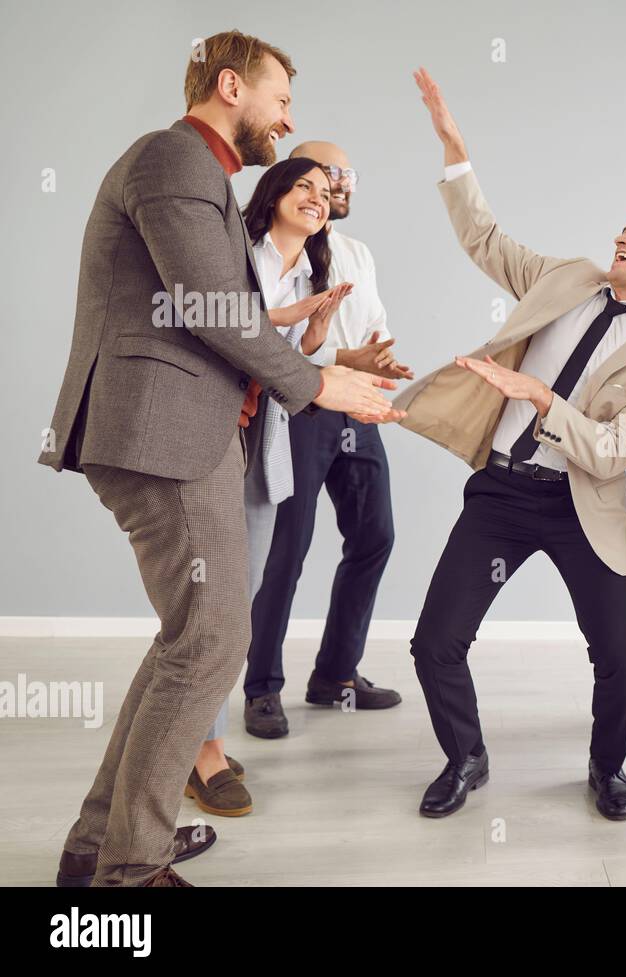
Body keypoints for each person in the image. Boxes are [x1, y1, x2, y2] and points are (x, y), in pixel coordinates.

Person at [43, 30, 402, 887]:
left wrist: (327, 361)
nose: (288, 120)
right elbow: (212, 309)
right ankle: (129, 870)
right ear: (231, 87)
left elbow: (224, 309)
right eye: (281, 101)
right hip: (158, 434)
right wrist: (317, 384)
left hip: (180, 432)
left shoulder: (204, 178)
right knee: (212, 640)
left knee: (192, 640)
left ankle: (101, 846)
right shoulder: (174, 159)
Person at [399, 68, 626, 822]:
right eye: (624, 225)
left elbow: (615, 449)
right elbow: (486, 240)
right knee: (434, 641)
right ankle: (465, 756)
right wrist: (454, 148)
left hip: (580, 504)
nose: (623, 235)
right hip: (501, 493)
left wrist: (545, 400)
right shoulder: (568, 277)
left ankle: (607, 768)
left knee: (624, 663)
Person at [188, 157, 355, 817]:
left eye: (325, 192)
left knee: (237, 609)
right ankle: (204, 754)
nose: (317, 198)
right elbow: (221, 324)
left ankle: (203, 741)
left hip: (263, 449)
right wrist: (295, 314)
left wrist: (314, 333)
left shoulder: (315, 271)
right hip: (211, 438)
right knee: (210, 610)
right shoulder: (239, 252)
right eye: (302, 186)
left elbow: (291, 362)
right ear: (275, 194)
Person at [242, 140, 412, 740]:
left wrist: (380, 361)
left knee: (375, 535)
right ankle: (261, 688)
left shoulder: (358, 253)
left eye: (343, 175)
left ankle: (336, 675)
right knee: (285, 551)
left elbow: (373, 327)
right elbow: (270, 342)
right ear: (291, 181)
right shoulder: (278, 251)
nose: (334, 185)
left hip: (356, 408)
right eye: (319, 176)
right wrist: (340, 357)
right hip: (303, 406)